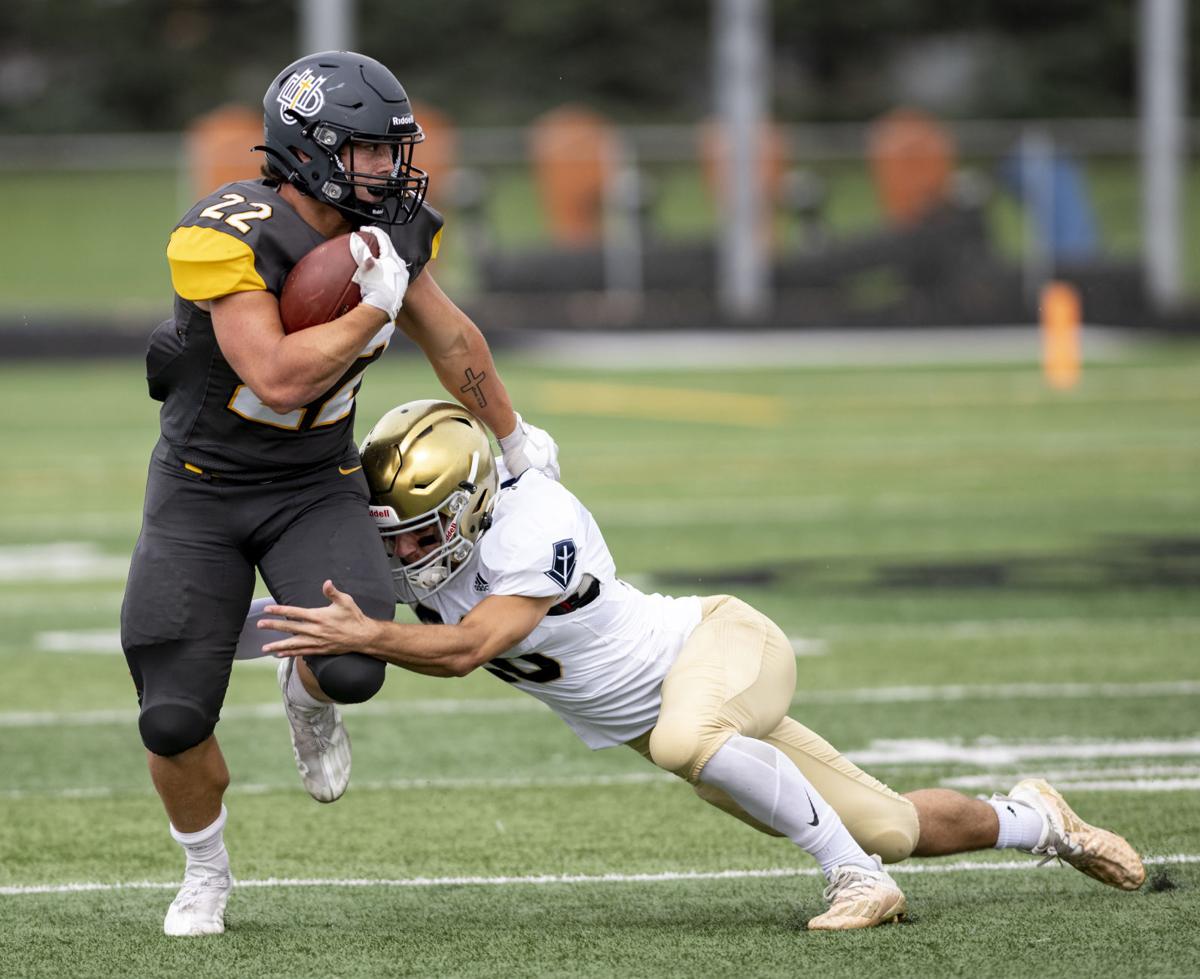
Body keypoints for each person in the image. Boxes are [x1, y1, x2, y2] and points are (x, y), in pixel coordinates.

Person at [254, 400, 1146, 931]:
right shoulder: (440, 558)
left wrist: (367, 638)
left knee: (693, 740)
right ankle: (1038, 819)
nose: (407, 553)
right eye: (394, 537)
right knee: (893, 821)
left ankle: (861, 884)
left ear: (475, 502)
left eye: (420, 530)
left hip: (720, 648)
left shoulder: (536, 523)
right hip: (677, 716)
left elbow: (463, 651)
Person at [120, 51, 558, 938]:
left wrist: (515, 441)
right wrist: (369, 308)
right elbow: (277, 379)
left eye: (393, 152)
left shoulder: (392, 229)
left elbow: (453, 338)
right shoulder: (224, 232)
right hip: (200, 491)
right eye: (368, 153)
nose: (390, 172)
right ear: (309, 150)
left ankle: (304, 685)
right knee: (170, 718)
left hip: (314, 480)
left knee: (354, 668)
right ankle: (206, 870)